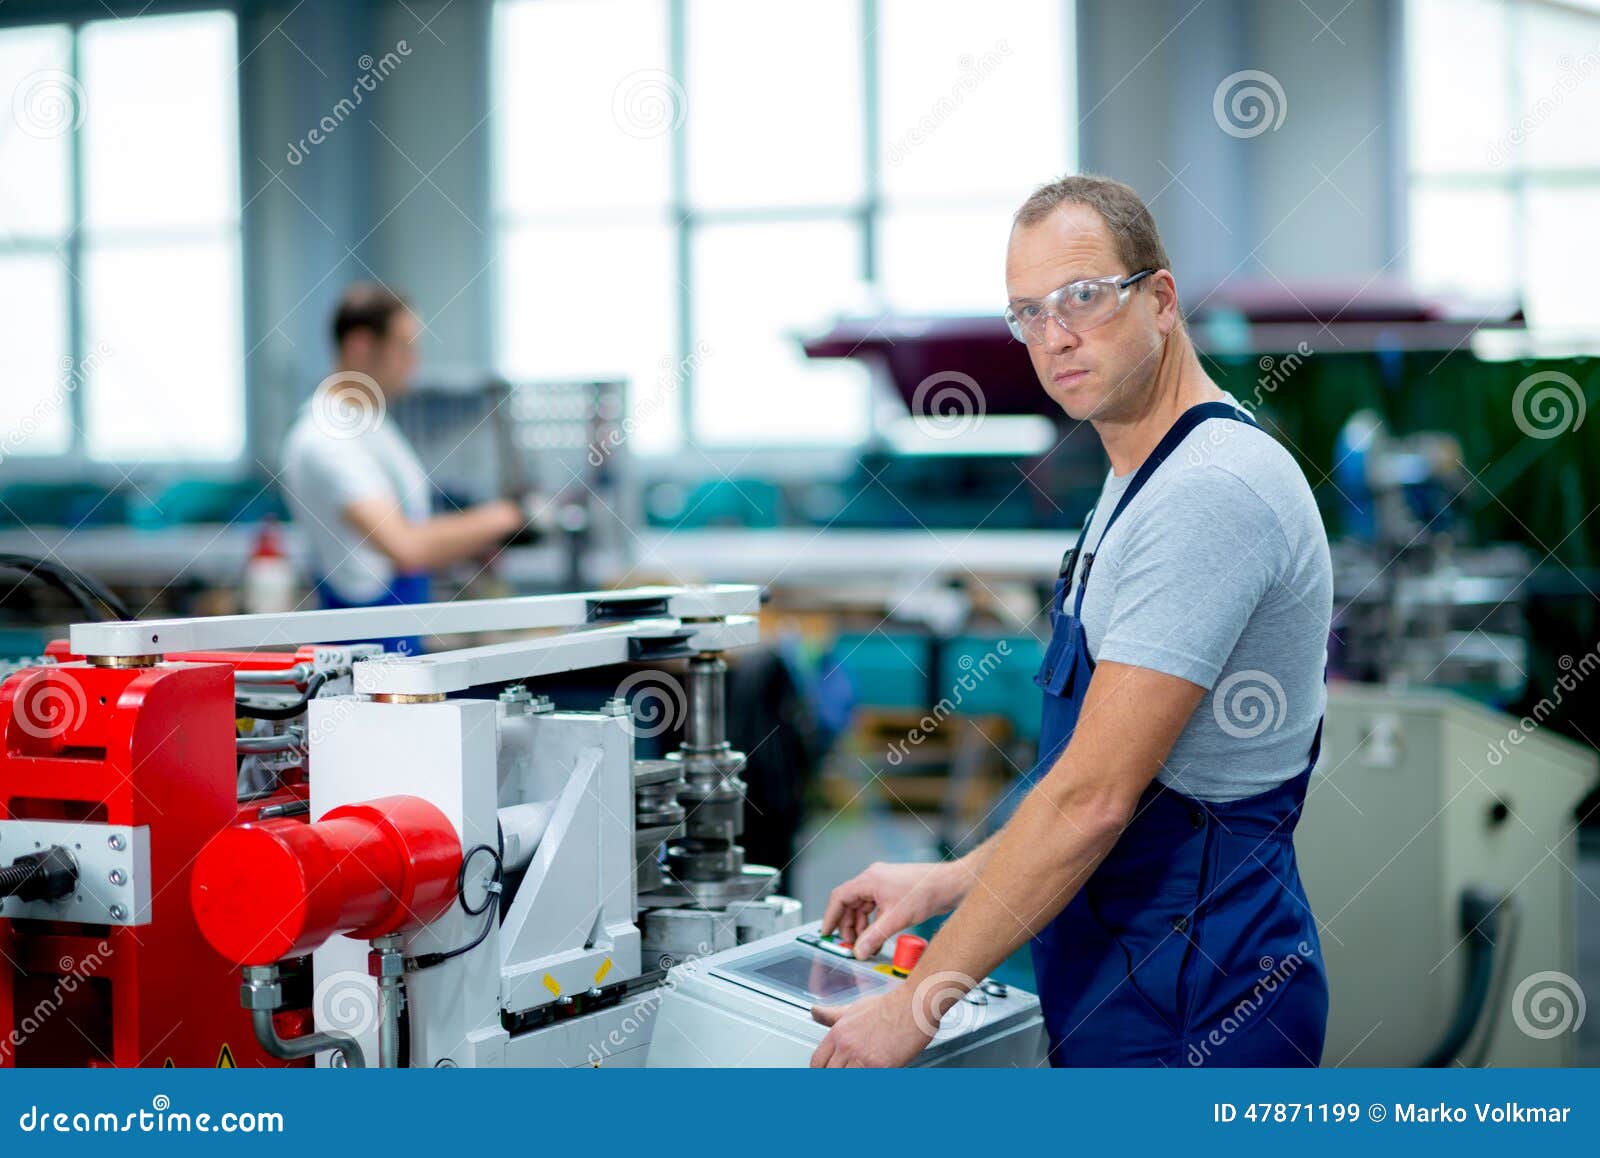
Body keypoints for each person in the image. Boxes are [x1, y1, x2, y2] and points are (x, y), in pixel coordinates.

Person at [811, 175, 1333, 1068]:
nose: (1055, 336)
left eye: (1083, 297)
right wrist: (944, 881)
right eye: (1027, 313)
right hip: (1126, 986)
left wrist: (918, 1004)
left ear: (1160, 300)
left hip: (1201, 1009)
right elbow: (1085, 783)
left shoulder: (1209, 491)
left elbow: (1091, 802)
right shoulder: (1137, 483)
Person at [280, 284, 536, 653]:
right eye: (406, 346)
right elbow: (406, 545)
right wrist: (511, 517)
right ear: (360, 345)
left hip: (398, 638)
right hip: (363, 649)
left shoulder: (369, 424)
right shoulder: (324, 438)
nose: (415, 362)